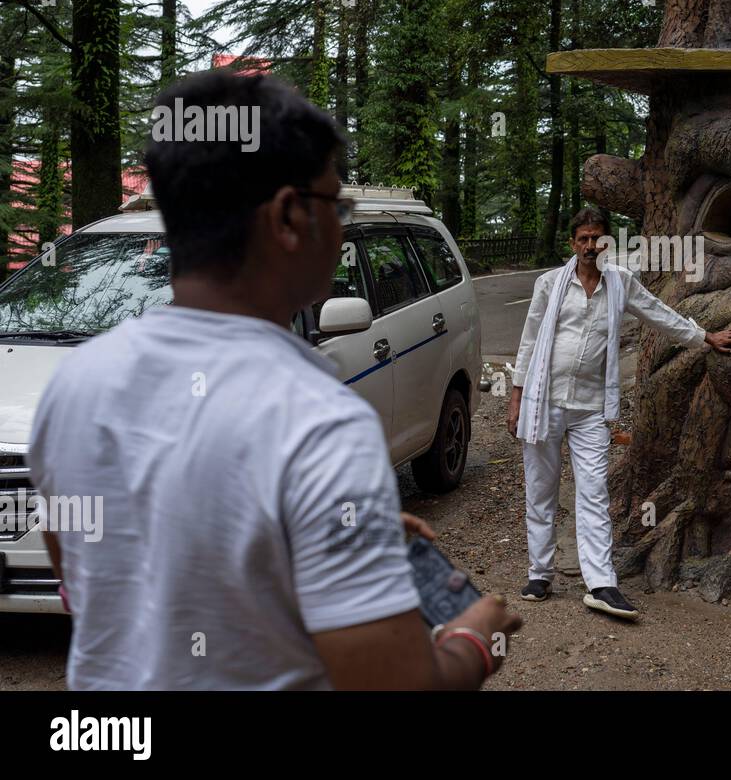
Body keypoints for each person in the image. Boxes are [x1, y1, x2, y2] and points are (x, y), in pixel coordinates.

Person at [29, 70, 521, 689]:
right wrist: (474, 641)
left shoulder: (74, 385)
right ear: (290, 216)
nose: (340, 228)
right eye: (335, 206)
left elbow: (92, 571)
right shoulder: (319, 419)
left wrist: (308, 534)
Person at [508, 207, 731, 619]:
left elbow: (659, 314)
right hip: (543, 402)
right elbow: (529, 341)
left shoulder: (619, 284)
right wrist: (516, 398)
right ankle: (539, 573)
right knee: (541, 490)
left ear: (606, 243)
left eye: (597, 238)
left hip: (590, 409)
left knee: (595, 492)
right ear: (572, 243)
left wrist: (705, 337)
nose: (589, 246)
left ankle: (601, 584)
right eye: (582, 238)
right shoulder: (550, 284)